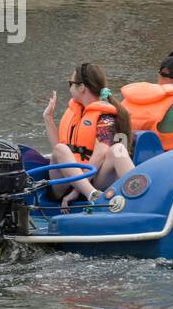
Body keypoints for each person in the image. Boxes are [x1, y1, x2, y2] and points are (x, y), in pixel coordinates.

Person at [44, 62, 136, 209]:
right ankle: (91, 194)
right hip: (65, 182)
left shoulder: (104, 116)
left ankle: (138, 195)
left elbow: (101, 153)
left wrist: (78, 189)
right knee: (61, 149)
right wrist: (48, 118)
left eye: (71, 83)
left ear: (81, 87)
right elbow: (58, 151)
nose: (69, 87)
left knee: (118, 149)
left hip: (93, 180)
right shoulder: (75, 112)